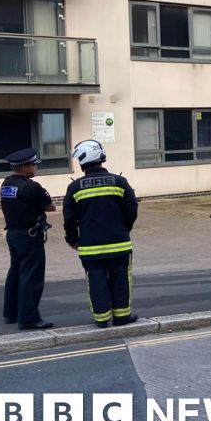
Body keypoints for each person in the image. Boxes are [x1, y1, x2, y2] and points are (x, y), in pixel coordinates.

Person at [63, 140, 139, 328]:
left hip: (90, 247)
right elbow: (131, 209)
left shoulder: (75, 188)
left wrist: (72, 240)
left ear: (83, 161)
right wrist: (124, 228)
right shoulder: (120, 182)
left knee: (96, 282)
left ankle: (101, 318)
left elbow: (69, 218)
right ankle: (122, 316)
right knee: (121, 279)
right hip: (119, 244)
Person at [0, 148, 56, 330]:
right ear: (24, 167)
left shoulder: (6, 183)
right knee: (31, 277)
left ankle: (11, 313)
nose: (35, 168)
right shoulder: (31, 186)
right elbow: (51, 207)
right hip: (30, 236)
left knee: (15, 273)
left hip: (13, 234)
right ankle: (29, 319)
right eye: (33, 165)